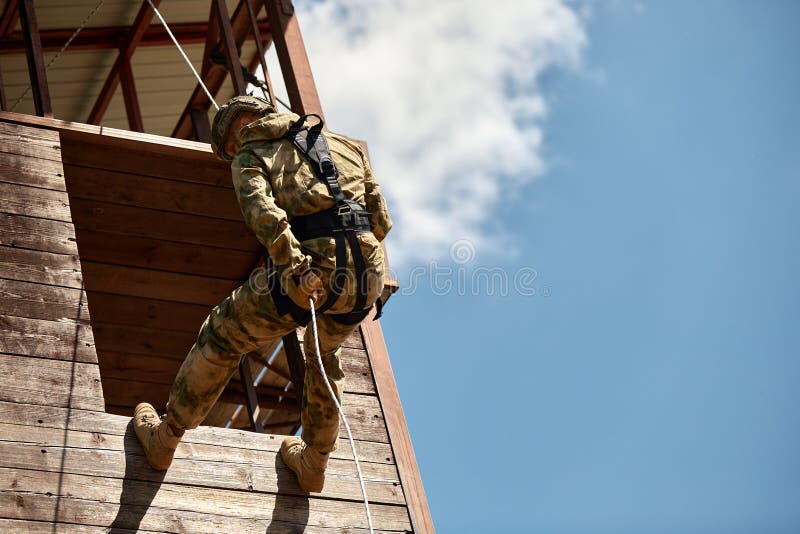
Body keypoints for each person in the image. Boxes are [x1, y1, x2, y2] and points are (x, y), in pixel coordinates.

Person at [132, 95, 392, 493]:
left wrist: (297, 266)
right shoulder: (344, 144)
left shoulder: (250, 156)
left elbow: (264, 216)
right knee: (326, 356)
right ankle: (314, 464)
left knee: (224, 332)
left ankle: (164, 439)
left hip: (310, 271)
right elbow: (381, 218)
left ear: (231, 140)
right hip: (367, 276)